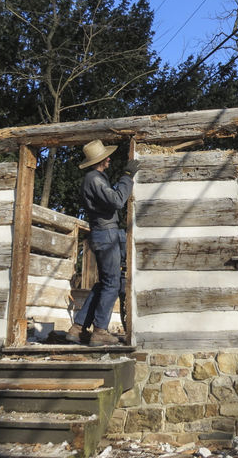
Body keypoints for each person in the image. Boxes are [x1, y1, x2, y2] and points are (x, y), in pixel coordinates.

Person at [66, 139, 140, 347]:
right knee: (112, 283)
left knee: (105, 283)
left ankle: (78, 327)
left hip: (105, 233)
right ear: (99, 161)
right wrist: (127, 177)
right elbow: (117, 201)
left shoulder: (96, 179)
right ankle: (100, 331)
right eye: (106, 157)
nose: (109, 160)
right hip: (106, 234)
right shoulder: (94, 179)